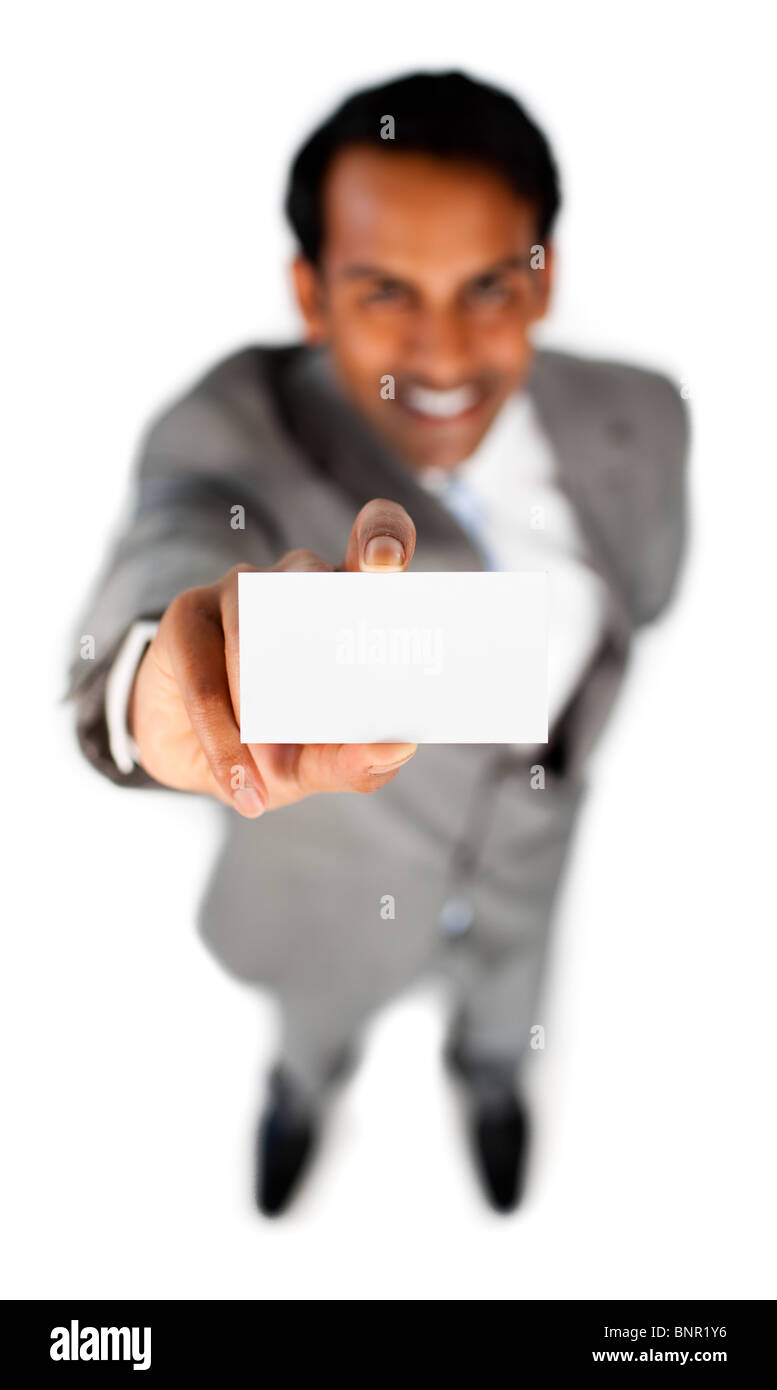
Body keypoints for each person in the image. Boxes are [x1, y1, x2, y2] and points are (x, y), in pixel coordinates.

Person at [65, 70, 690, 1215]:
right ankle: (303, 1099)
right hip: (330, 885)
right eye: (386, 290)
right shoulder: (227, 432)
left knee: (508, 1015)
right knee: (314, 1028)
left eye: (488, 285)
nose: (444, 353)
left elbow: (643, 593)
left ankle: (491, 1087)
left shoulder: (646, 415)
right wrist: (155, 684)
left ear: (542, 279)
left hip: (532, 851)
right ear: (310, 293)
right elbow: (168, 556)